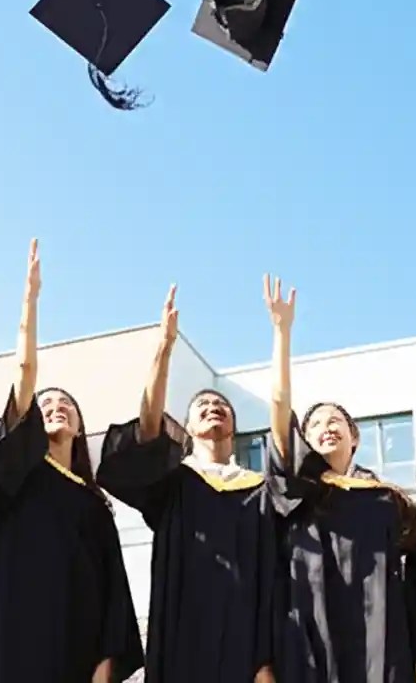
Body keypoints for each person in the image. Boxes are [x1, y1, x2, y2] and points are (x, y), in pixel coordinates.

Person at [0, 239, 143, 682]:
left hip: (80, 651)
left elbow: (114, 593)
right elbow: (25, 376)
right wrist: (30, 302)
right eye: (46, 403)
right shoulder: (17, 473)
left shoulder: (93, 501)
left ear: (82, 426)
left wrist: (106, 666)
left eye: (67, 402)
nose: (56, 406)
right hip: (14, 643)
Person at [262, 275, 416, 683]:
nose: (327, 427)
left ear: (355, 436)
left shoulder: (387, 501)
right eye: (316, 424)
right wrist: (282, 333)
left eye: (336, 421)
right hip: (312, 637)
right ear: (303, 441)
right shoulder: (296, 494)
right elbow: (279, 406)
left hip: (384, 645)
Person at [97, 286, 277, 682]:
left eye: (222, 407)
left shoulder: (260, 490)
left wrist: (265, 661)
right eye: (203, 408)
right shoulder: (172, 483)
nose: (214, 409)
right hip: (184, 638)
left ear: (234, 425)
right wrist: (163, 350)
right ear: (188, 428)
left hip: (246, 644)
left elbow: (272, 579)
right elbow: (146, 428)